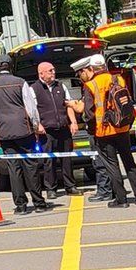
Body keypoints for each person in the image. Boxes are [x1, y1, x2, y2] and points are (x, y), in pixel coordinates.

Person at [68, 54, 136, 208]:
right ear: (104, 66)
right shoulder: (118, 79)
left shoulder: (90, 85)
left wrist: (85, 122)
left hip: (103, 132)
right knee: (129, 162)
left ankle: (121, 199)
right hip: (122, 127)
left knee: (112, 165)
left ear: (91, 68)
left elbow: (89, 113)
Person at [0, 59, 50, 215]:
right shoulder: (21, 82)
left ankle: (20, 205)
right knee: (31, 166)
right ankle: (38, 202)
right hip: (24, 130)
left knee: (14, 168)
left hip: (5, 133)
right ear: (11, 67)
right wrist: (35, 126)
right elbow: (31, 108)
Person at [31, 62, 83, 199]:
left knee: (67, 158)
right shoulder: (34, 89)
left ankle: (70, 186)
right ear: (41, 74)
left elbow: (69, 105)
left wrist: (73, 122)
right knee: (49, 160)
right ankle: (50, 188)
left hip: (63, 129)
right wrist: (37, 125)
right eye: (49, 71)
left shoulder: (60, 86)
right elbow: (32, 110)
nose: (53, 72)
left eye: (53, 70)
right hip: (47, 131)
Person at [70, 57, 112, 204]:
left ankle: (104, 191)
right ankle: (112, 189)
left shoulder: (91, 85)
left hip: (97, 129)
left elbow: (86, 111)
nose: (80, 79)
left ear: (86, 70)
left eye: (80, 74)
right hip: (112, 128)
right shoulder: (113, 79)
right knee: (111, 161)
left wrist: (81, 116)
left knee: (99, 161)